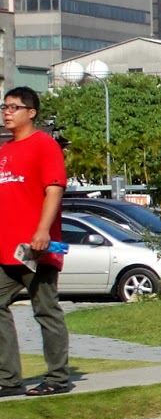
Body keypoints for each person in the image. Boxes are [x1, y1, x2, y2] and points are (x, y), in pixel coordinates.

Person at [0, 86, 72, 396]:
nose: (7, 112)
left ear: (31, 112)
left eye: (14, 107)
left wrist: (43, 231)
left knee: (45, 309)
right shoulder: (4, 152)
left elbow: (53, 189)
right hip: (5, 248)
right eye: (4, 107)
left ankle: (57, 377)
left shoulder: (45, 145)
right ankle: (9, 378)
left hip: (35, 247)